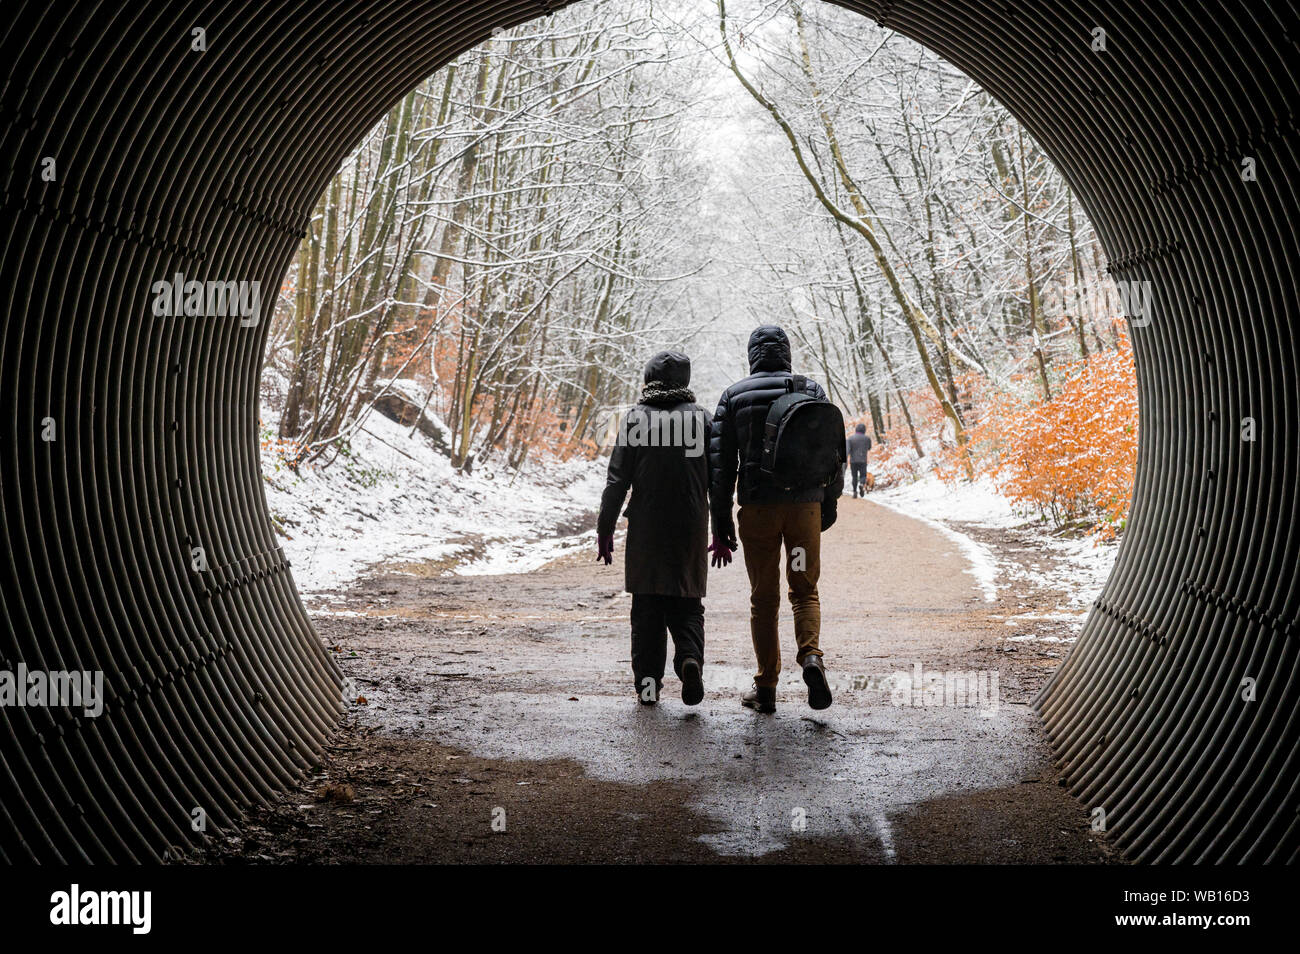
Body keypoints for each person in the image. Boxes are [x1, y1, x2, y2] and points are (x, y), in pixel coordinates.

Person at [707, 325, 843, 714]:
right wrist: (826, 505)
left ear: (752, 354)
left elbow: (721, 468)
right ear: (785, 352)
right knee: (804, 590)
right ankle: (811, 657)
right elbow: (833, 453)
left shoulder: (733, 396)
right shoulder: (810, 390)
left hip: (759, 512)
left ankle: (766, 687)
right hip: (803, 511)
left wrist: (721, 521)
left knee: (763, 599)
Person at [597, 350, 712, 706]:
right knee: (687, 603)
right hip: (691, 524)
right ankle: (689, 658)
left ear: (649, 380)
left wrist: (605, 527)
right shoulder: (703, 421)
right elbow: (720, 478)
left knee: (647, 609)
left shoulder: (634, 420)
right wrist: (722, 525)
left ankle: (648, 688)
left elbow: (617, 481)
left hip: (646, 526)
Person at [846, 423, 872, 498]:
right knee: (863, 475)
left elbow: (847, 450)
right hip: (863, 460)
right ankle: (861, 484)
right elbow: (869, 448)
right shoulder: (867, 438)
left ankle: (854, 491)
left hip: (853, 461)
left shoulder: (850, 438)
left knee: (854, 477)